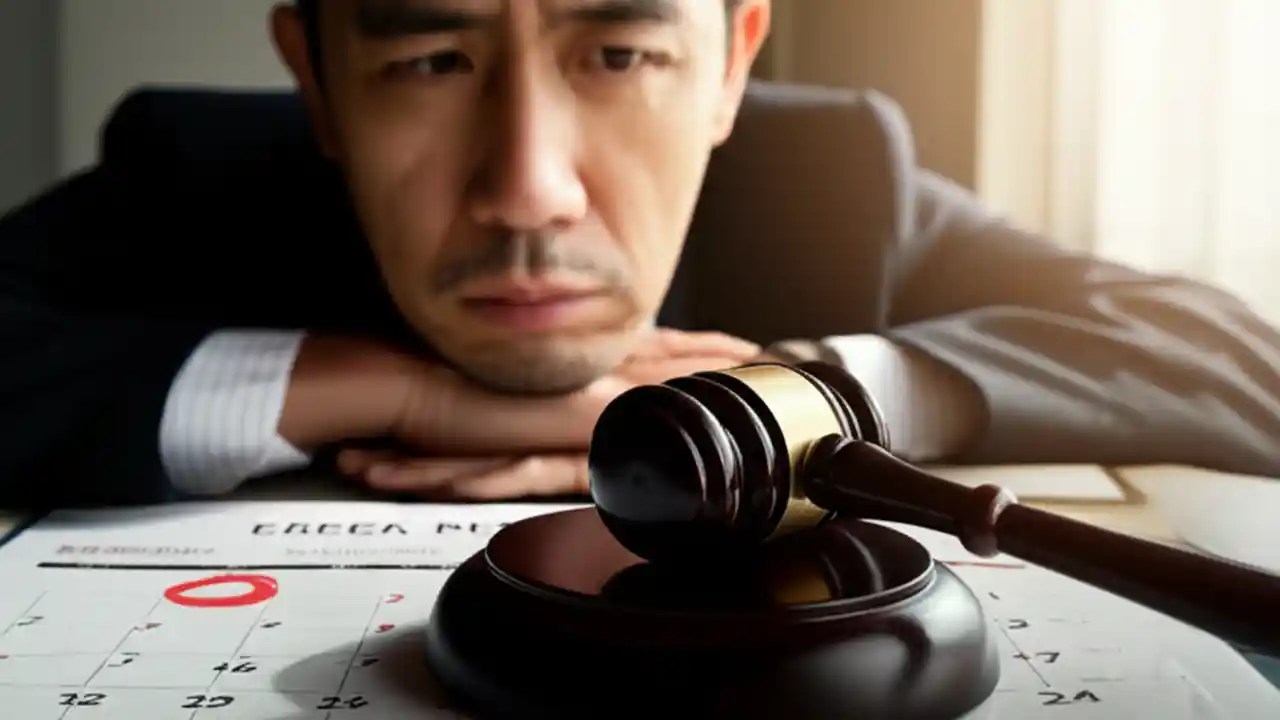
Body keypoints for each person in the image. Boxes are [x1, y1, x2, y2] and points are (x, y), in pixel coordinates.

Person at [2, 0, 1278, 509]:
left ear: (730, 65)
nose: (526, 190)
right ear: (317, 86)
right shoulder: (195, 169)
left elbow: (1230, 359)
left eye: (618, 55)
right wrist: (389, 387)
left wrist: (785, 402)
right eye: (428, 61)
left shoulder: (828, 173)